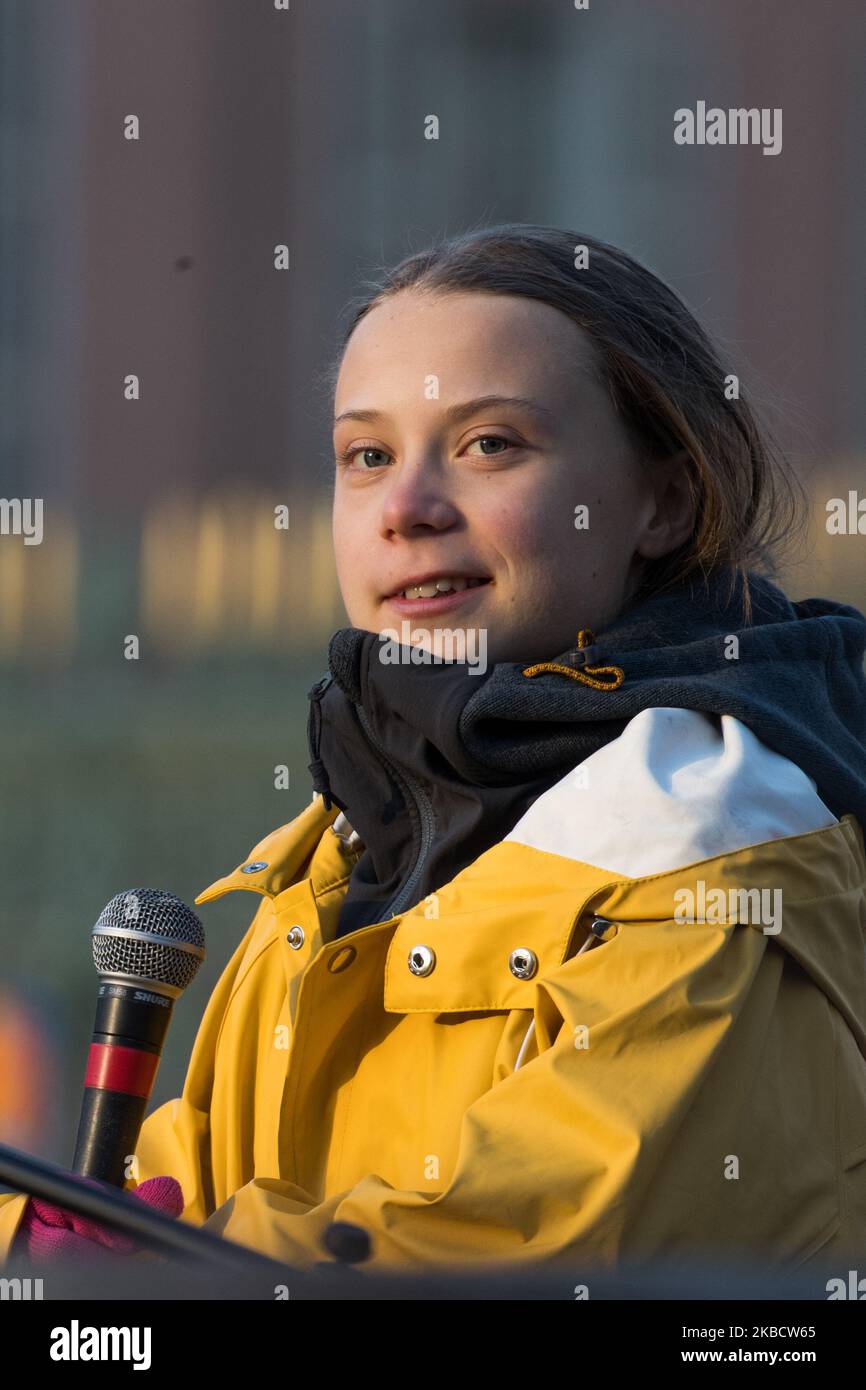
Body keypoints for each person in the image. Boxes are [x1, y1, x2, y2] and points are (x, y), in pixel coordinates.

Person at [3, 224, 866, 1283]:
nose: (406, 509)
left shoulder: (725, 851)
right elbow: (178, 1189)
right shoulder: (325, 862)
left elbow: (522, 1251)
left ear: (664, 497)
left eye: (488, 444)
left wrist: (150, 1271)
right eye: (366, 456)